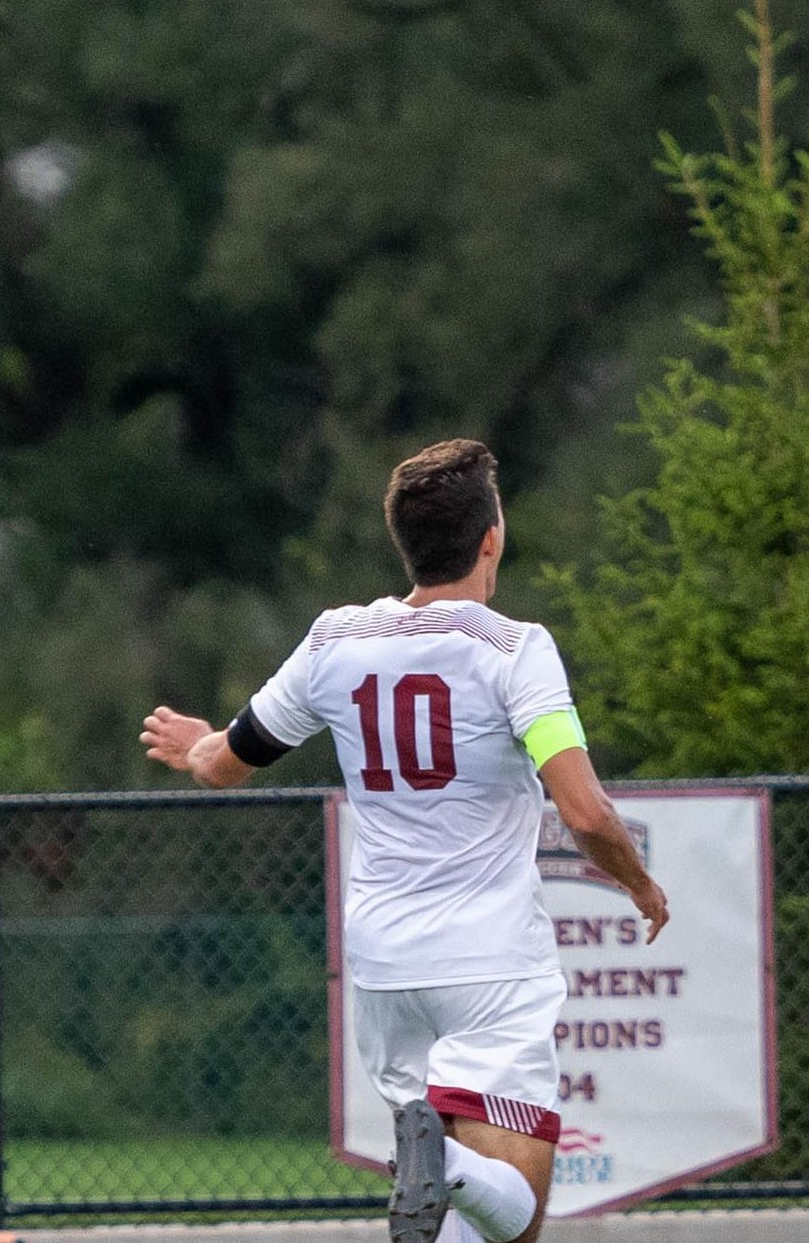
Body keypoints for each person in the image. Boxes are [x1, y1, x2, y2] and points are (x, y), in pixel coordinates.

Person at [141, 439, 669, 1243]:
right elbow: (587, 813)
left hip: (385, 966)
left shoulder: (335, 641)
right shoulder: (515, 650)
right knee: (515, 1216)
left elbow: (225, 763)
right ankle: (449, 1165)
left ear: (405, 543)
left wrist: (196, 746)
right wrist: (639, 882)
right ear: (491, 536)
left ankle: (438, 1164)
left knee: (450, 1218)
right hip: (488, 963)